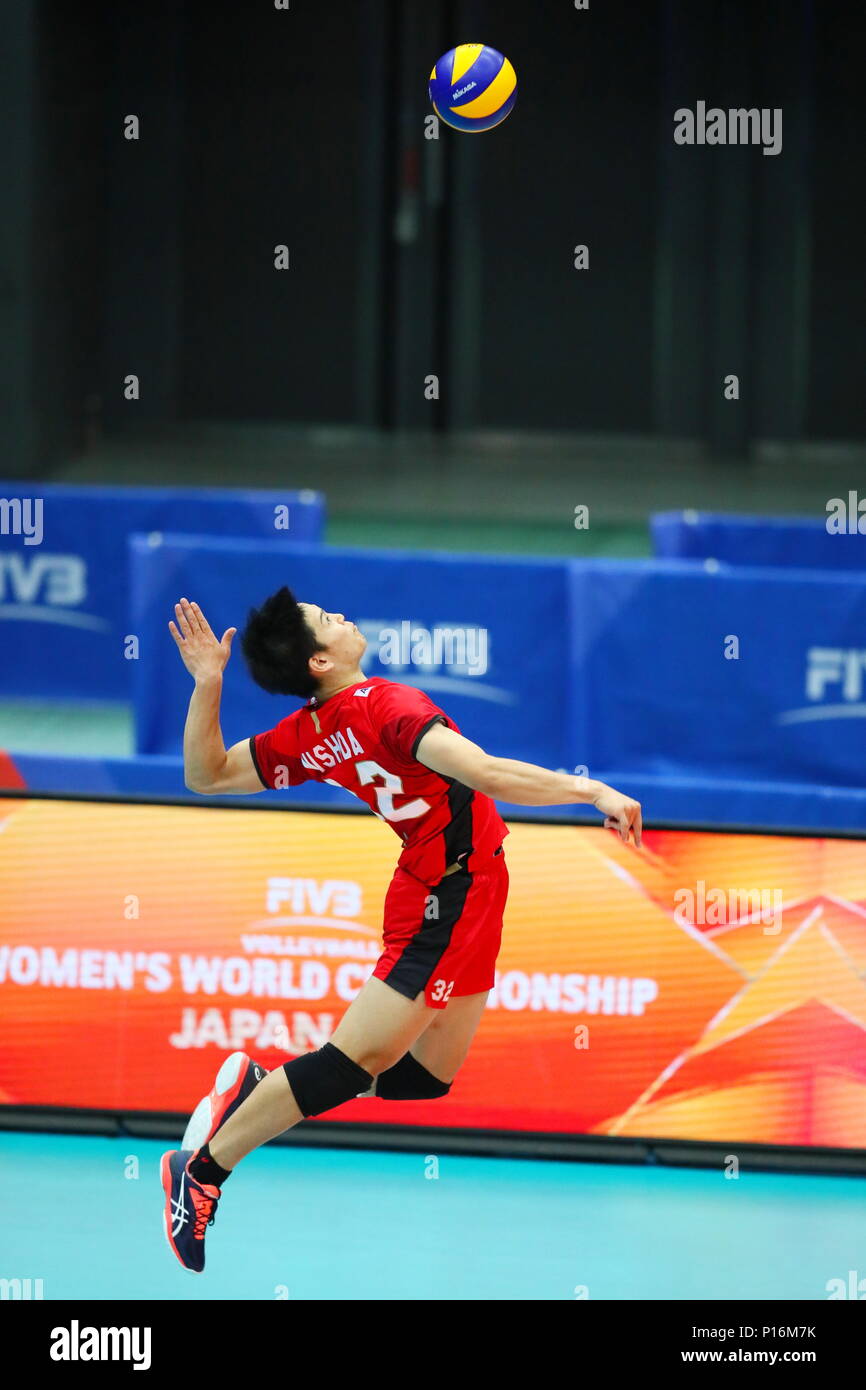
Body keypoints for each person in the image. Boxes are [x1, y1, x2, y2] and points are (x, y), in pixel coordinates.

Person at [161, 589, 642, 1271]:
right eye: (329, 621)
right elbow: (488, 773)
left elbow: (204, 773)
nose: (343, 617)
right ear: (322, 659)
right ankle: (204, 1171)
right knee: (348, 1063)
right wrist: (593, 791)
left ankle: (261, 1087)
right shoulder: (389, 706)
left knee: (425, 1080)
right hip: (440, 899)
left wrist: (208, 684)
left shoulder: (314, 729)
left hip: (475, 889)